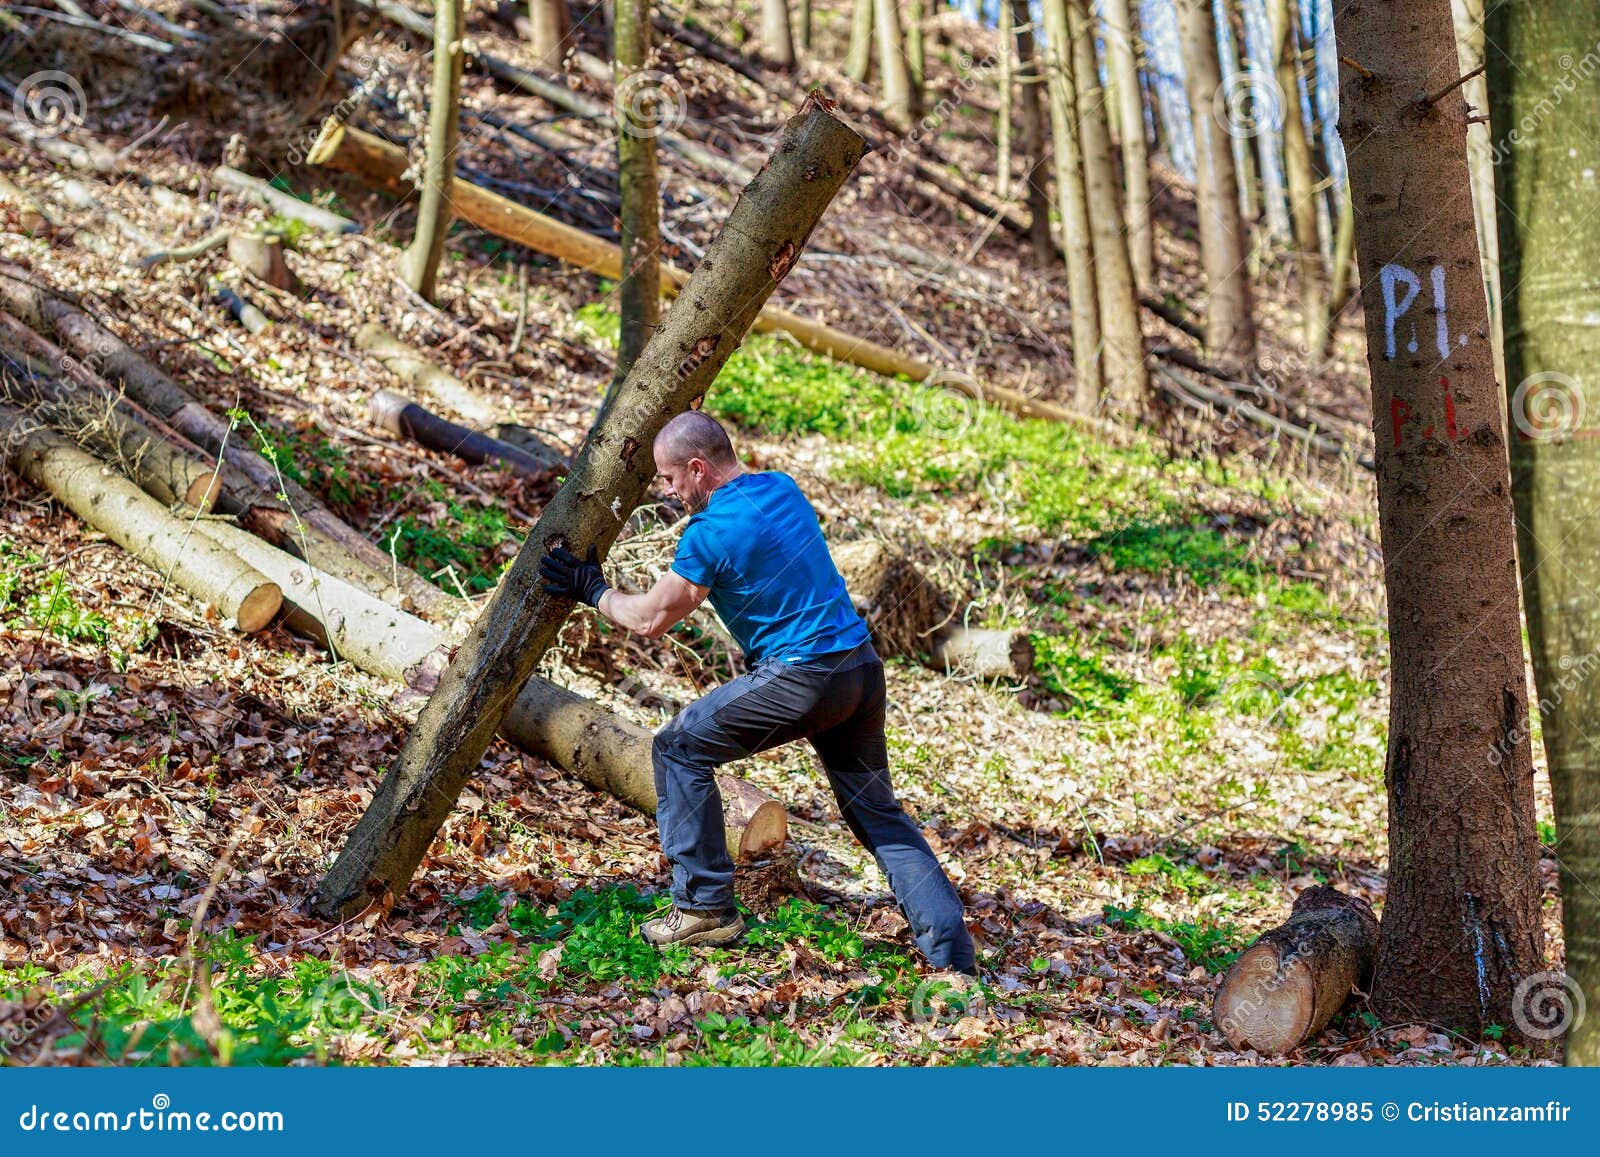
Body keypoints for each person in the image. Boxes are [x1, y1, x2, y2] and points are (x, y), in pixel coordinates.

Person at [539, 410, 976, 976]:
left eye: (671, 479)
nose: (669, 493)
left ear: (698, 469)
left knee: (677, 747)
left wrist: (590, 588)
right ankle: (955, 959)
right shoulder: (781, 488)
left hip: (804, 677)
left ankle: (702, 907)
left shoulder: (710, 533)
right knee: (877, 814)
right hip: (860, 671)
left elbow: (650, 618)